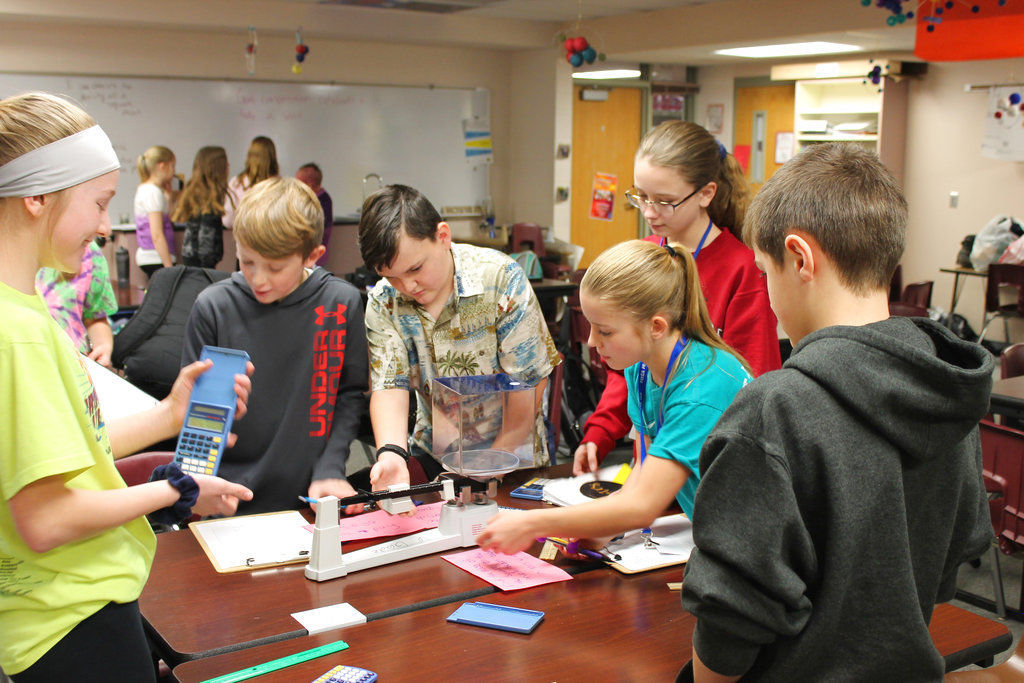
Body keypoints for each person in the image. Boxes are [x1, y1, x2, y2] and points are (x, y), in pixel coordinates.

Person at [680, 143, 992, 681]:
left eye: (765, 272)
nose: (769, 298)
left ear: (800, 259)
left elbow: (730, 624)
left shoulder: (775, 409)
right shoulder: (945, 389)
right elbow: (943, 574)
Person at [0, 91, 253, 682]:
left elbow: (66, 449)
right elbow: (48, 519)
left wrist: (170, 415)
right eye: (98, 203)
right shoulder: (19, 334)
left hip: (60, 612)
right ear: (37, 196)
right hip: (69, 619)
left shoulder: (25, 310)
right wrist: (176, 489)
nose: (102, 225)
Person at [476, 239, 750, 553]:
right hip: (715, 532)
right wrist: (605, 526)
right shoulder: (642, 367)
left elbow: (644, 505)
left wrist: (531, 523)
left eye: (604, 331)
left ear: (656, 327)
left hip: (750, 543)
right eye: (590, 326)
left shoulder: (700, 389)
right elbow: (642, 476)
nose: (592, 341)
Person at [575, 121, 781, 475]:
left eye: (665, 201)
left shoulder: (744, 269)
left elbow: (755, 386)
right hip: (653, 464)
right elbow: (628, 363)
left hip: (713, 467)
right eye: (641, 196)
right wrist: (600, 431)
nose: (650, 212)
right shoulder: (644, 255)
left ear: (706, 193)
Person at [183, 177, 368, 515]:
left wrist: (330, 467)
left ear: (313, 256)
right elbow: (196, 414)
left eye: (275, 267)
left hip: (311, 496)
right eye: (247, 262)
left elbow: (348, 396)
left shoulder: (340, 303)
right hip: (227, 498)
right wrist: (195, 483)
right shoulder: (213, 307)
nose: (259, 279)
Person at [359, 184, 560, 491]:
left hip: (514, 458)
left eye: (415, 268)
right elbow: (390, 384)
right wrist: (391, 453)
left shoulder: (500, 278)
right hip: (436, 455)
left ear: (443, 237)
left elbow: (529, 381)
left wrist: (497, 458)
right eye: (392, 276)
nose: (408, 285)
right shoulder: (385, 301)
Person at [35, 240, 118, 368]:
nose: (104, 229)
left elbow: (95, 318)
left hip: (73, 370)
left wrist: (103, 346)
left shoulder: (88, 251)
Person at [173, 146, 232, 268]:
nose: (228, 166)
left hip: (192, 262)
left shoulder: (195, 195)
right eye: (225, 163)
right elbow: (205, 246)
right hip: (203, 267)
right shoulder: (209, 204)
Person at [133, 144, 177, 279]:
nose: (174, 172)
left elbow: (167, 220)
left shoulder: (149, 190)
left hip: (153, 257)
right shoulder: (152, 192)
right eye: (173, 166)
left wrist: (168, 199)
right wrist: (169, 266)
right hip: (155, 257)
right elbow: (157, 234)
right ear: (163, 166)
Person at [222, 135, 277, 230]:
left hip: (243, 238)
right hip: (271, 240)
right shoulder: (279, 184)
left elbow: (227, 221)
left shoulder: (236, 182)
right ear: (272, 157)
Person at [296, 162, 333, 268]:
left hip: (314, 256)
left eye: (299, 183)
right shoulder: (320, 199)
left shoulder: (319, 201)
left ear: (310, 185)